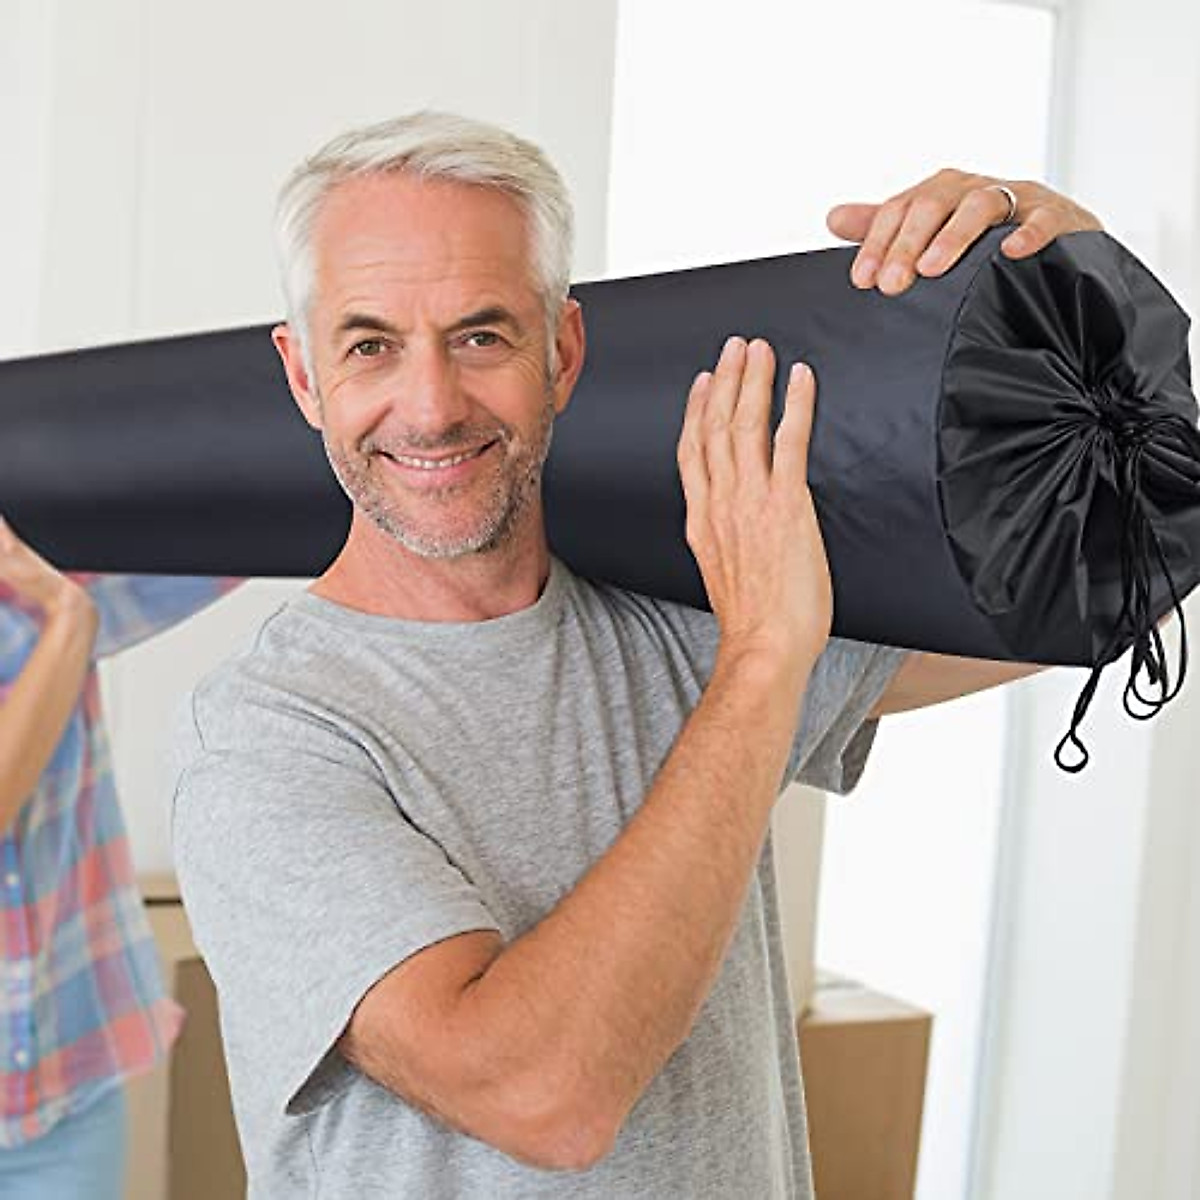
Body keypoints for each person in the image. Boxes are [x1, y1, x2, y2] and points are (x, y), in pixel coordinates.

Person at [169, 112, 1101, 1197]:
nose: (430, 407)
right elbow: (543, 1097)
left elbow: (1101, 589)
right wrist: (764, 657)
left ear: (561, 353)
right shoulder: (263, 738)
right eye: (370, 344)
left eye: (481, 336)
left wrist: (1071, 290)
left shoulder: (683, 620)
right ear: (304, 375)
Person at [0, 517, 237, 1200]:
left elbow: (241, 521)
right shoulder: (54, 602)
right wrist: (67, 622)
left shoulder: (30, 572)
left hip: (65, 1083)